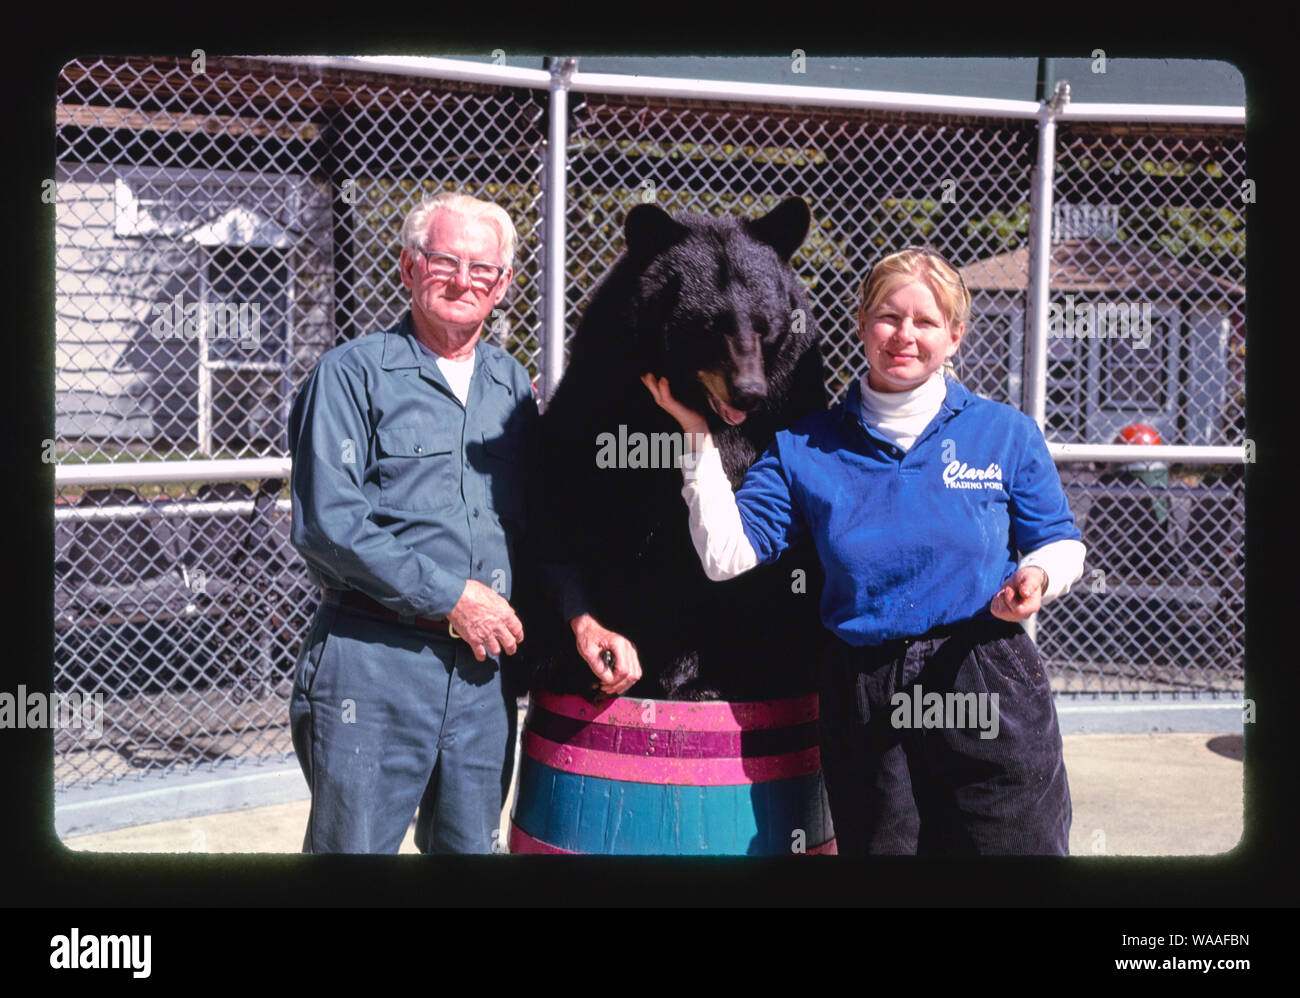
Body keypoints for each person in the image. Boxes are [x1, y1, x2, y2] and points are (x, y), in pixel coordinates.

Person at [643, 247, 1085, 855]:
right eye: (888, 317)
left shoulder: (1005, 433)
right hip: (864, 689)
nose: (905, 335)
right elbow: (725, 556)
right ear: (862, 324)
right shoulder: (804, 446)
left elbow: (1059, 542)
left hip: (982, 671)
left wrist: (1038, 575)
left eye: (925, 321)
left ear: (954, 337)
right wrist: (696, 437)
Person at [287, 191, 639, 854]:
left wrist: (581, 617)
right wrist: (451, 596)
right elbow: (329, 526)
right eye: (444, 261)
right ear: (409, 267)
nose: (462, 280)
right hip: (374, 663)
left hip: (482, 677)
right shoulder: (350, 375)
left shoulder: (510, 385)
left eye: (483, 269)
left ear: (502, 285)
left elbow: (536, 527)